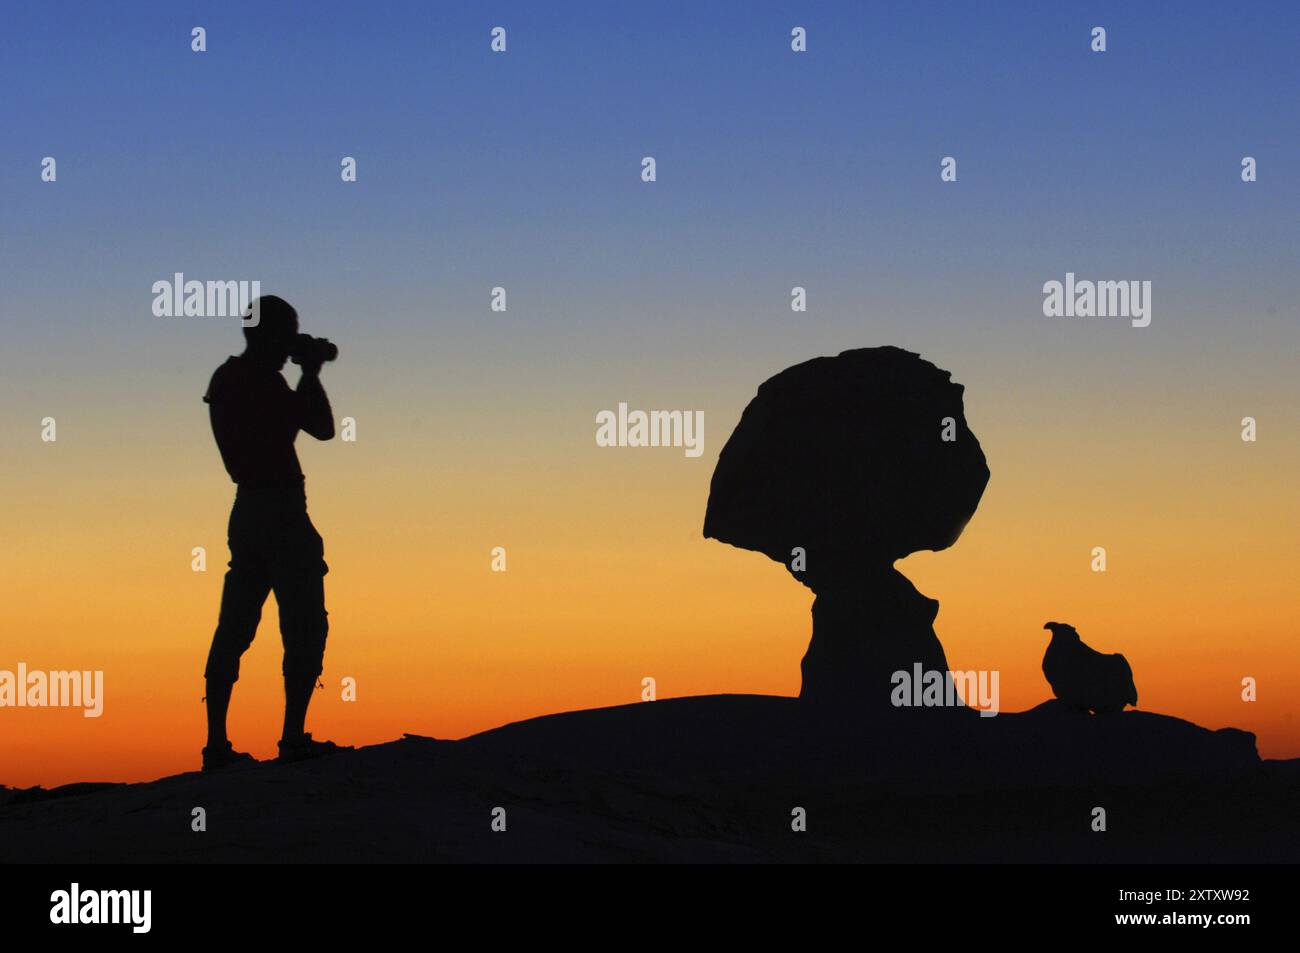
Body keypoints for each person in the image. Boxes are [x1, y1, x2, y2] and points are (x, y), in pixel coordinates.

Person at [200, 295, 349, 769]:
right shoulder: (261, 383)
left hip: (246, 509)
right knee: (304, 625)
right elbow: (323, 429)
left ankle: (217, 745)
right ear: (268, 336)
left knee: (234, 627)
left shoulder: (225, 378)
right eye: (287, 334)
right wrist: (310, 372)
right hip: (280, 508)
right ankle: (292, 739)